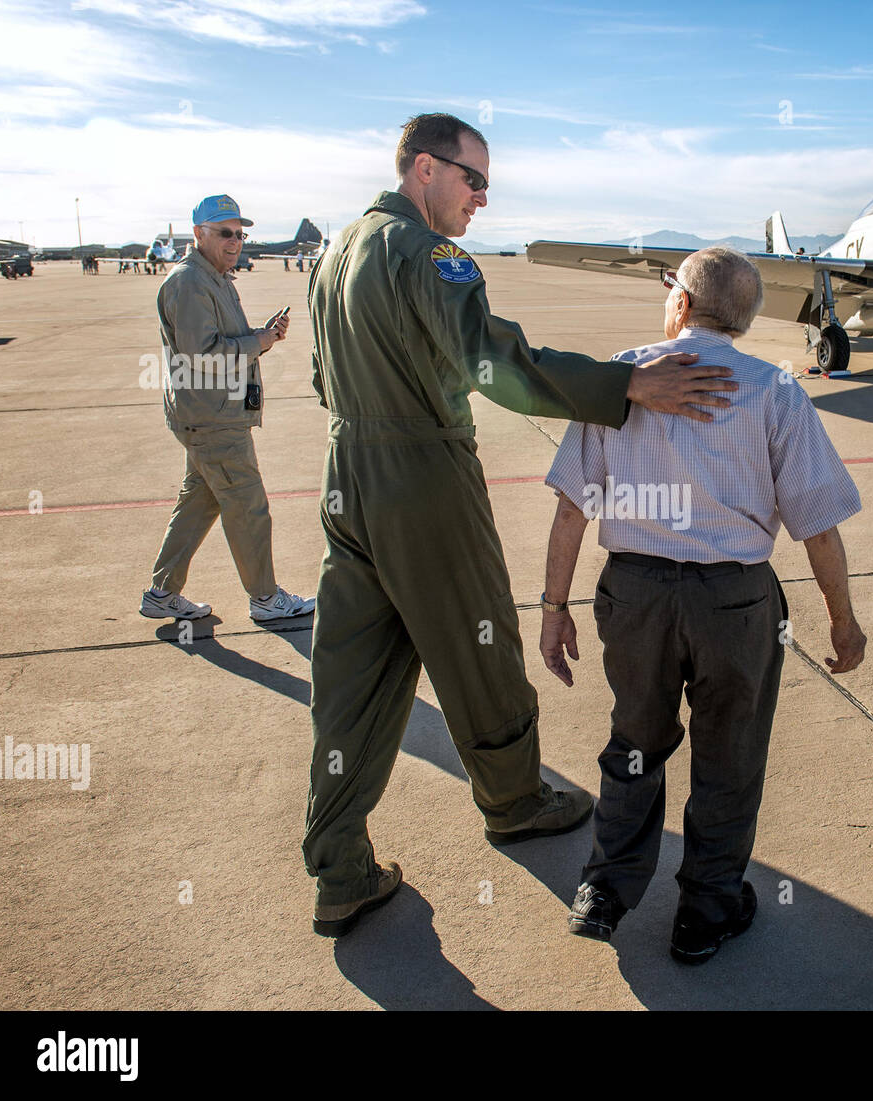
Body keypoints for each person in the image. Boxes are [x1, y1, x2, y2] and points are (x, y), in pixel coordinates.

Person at [301, 113, 737, 938]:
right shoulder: (429, 253)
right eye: (474, 181)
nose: (482, 200)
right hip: (422, 472)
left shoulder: (335, 252)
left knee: (350, 672)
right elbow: (491, 361)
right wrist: (622, 386)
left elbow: (325, 377)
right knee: (480, 640)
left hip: (346, 475)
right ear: (425, 169)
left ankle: (338, 866)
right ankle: (513, 799)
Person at [539, 247, 868, 963]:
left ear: (681, 304)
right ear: (745, 319)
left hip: (636, 596)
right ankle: (705, 911)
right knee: (731, 754)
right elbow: (818, 523)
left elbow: (572, 509)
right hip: (736, 599)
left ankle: (604, 890)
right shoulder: (777, 391)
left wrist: (553, 605)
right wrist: (843, 619)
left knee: (635, 741)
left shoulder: (623, 376)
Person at [140, 194, 314, 624]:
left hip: (210, 414)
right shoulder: (189, 283)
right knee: (248, 506)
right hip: (214, 419)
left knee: (200, 502)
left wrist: (262, 334)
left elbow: (220, 345)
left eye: (240, 233)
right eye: (225, 233)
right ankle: (266, 599)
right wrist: (260, 342)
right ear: (199, 233)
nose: (236, 241)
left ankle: (161, 593)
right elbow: (204, 355)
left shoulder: (214, 277)